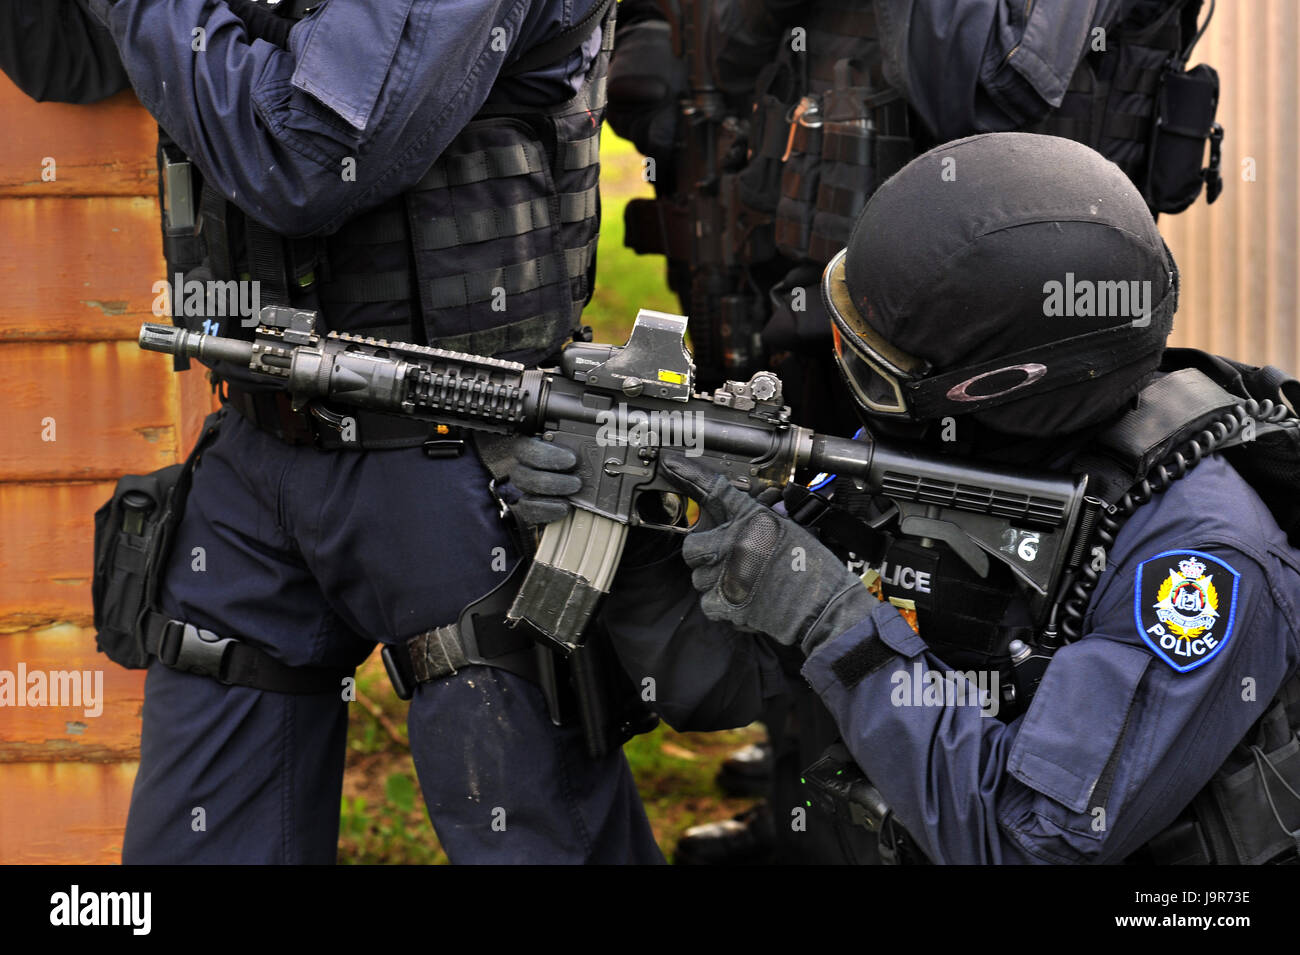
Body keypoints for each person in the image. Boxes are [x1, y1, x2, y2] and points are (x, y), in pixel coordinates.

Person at [2, 0, 663, 864]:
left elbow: (311, 154)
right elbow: (62, 58)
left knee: (535, 832)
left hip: (460, 458)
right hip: (256, 446)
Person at [604, 0, 1225, 863]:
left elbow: (986, 78)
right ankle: (824, 820)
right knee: (842, 581)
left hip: (981, 319)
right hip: (902, 298)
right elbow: (727, 665)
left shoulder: (1195, 547)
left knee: (904, 619)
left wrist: (834, 624)